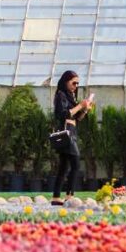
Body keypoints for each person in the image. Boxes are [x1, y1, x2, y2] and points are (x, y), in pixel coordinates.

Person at [50, 70, 93, 206]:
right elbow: (62, 115)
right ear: (65, 81)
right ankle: (70, 196)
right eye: (73, 83)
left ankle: (56, 197)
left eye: (77, 84)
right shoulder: (61, 95)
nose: (76, 86)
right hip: (66, 133)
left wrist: (85, 110)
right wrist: (80, 105)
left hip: (72, 132)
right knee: (75, 164)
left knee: (64, 166)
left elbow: (76, 118)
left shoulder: (70, 97)